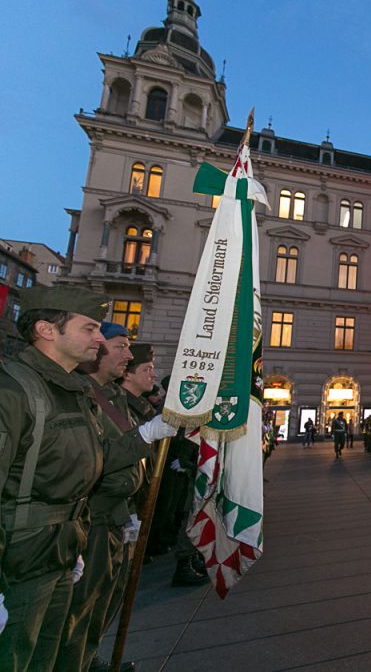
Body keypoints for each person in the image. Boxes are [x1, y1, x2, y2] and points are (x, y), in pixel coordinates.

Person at [0, 287, 176, 672]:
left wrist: (147, 436)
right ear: (47, 330)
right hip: (21, 556)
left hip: (62, 547)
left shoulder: (73, 390)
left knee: (50, 654)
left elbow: (95, 461)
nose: (99, 339)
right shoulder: (12, 389)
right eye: (89, 328)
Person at [57, 322, 147, 672]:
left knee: (102, 602)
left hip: (114, 515)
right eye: (122, 346)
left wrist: (127, 512)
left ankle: (88, 660)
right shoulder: (82, 392)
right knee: (79, 609)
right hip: (90, 518)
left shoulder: (111, 394)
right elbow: (95, 457)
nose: (128, 353)